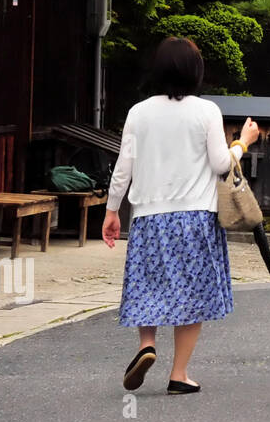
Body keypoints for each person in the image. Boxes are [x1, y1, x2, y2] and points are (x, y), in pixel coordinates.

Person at [103, 37, 261, 395]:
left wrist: (112, 211)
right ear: (195, 72)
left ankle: (147, 345)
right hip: (195, 219)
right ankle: (179, 374)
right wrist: (244, 141)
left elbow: (123, 169)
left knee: (149, 285)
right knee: (192, 294)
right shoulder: (206, 111)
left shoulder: (138, 113)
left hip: (148, 218)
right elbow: (222, 164)